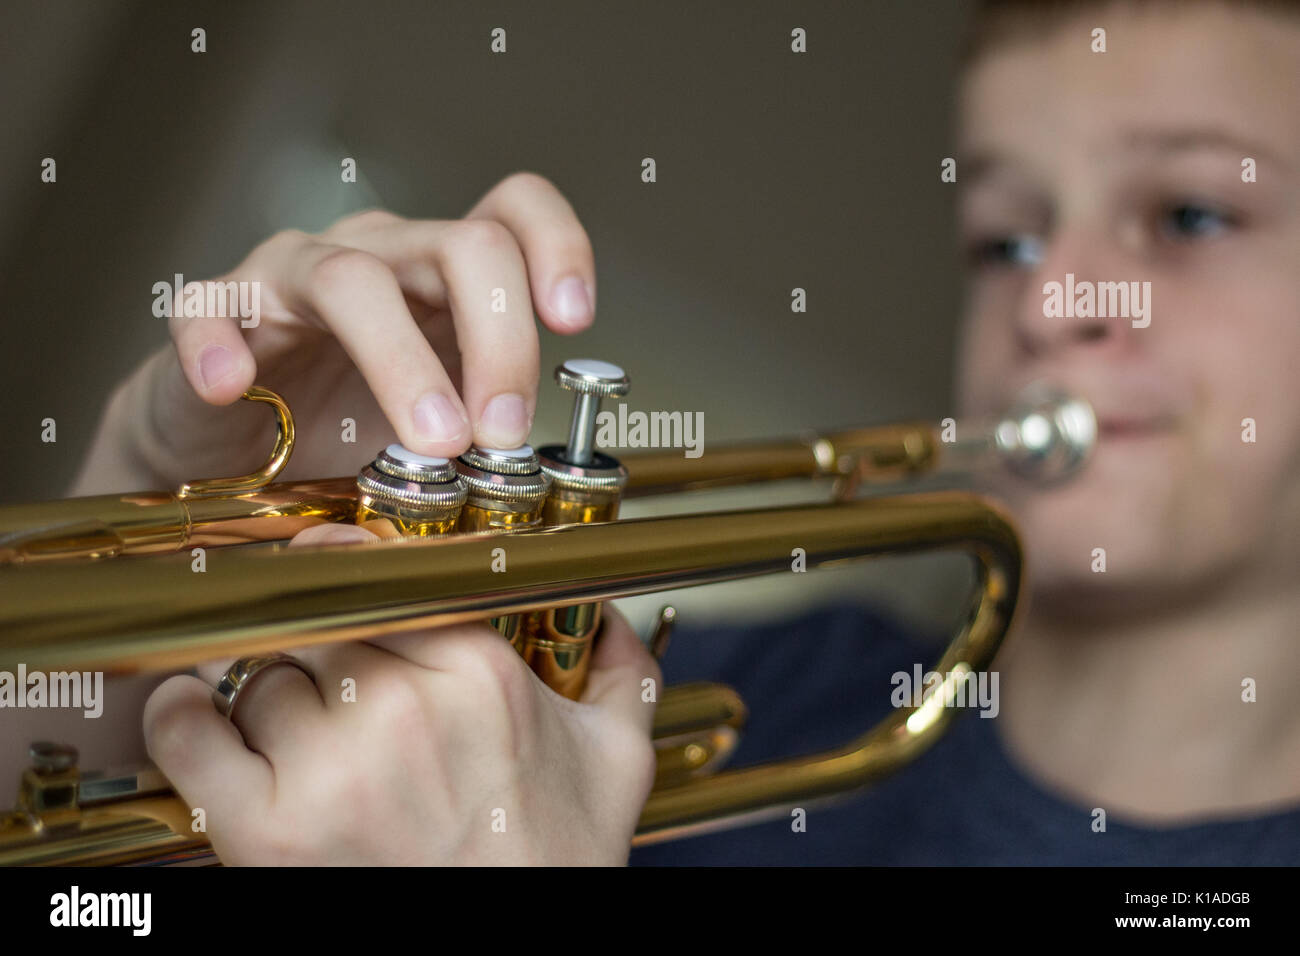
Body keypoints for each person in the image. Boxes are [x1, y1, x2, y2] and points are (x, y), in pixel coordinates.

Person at [9, 0, 1299, 865]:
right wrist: (162, 522)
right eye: (1006, 238)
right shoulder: (767, 694)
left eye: (1190, 215)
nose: (1054, 296)